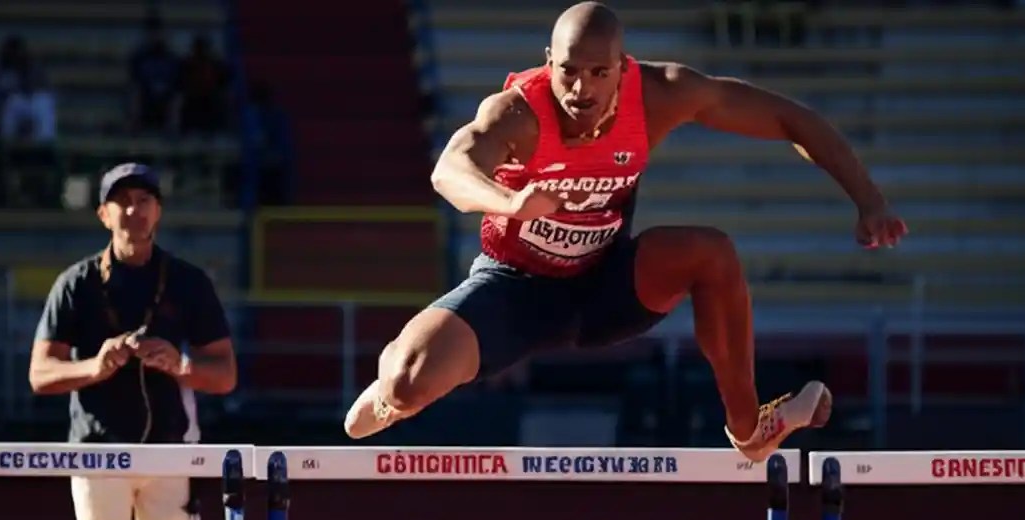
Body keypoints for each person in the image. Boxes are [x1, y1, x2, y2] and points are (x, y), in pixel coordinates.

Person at [344, 1, 907, 461]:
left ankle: (749, 429)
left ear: (622, 66)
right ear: (548, 62)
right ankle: (394, 396)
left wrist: (868, 199)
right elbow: (450, 169)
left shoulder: (661, 95)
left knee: (711, 252)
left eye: (598, 72)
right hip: (514, 286)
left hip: (607, 284)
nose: (581, 89)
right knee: (408, 380)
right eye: (567, 70)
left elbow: (791, 119)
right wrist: (511, 201)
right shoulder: (518, 112)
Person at [28, 163, 237, 520]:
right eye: (122, 200)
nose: (134, 209)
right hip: (97, 450)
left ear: (159, 212)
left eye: (145, 199)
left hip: (171, 447)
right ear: (102, 214)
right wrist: (95, 367)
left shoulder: (187, 281)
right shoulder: (75, 283)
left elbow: (224, 374)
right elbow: (40, 374)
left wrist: (181, 364)